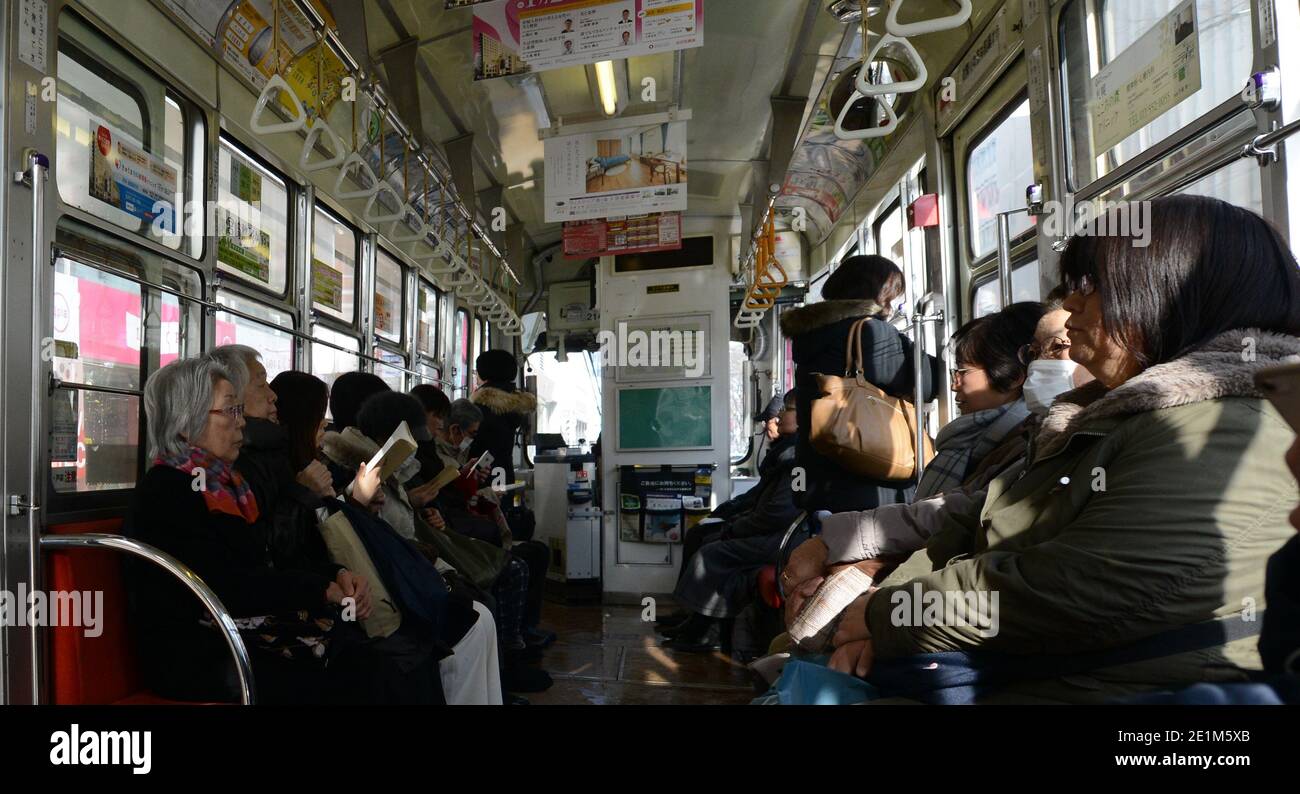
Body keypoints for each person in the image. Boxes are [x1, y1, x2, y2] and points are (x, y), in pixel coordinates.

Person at [818, 196, 1300, 703]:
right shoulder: (1103, 416)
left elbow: (1071, 591)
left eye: (1090, 288)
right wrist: (884, 605)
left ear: (1172, 294)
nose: (1069, 305)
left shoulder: (1219, 426)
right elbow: (981, 520)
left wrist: (888, 614)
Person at [124, 356, 399, 704]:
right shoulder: (167, 491)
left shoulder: (227, 484)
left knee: (365, 658)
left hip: (239, 631)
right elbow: (223, 585)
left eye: (240, 410)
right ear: (185, 422)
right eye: (229, 412)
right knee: (359, 668)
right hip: (201, 651)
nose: (241, 425)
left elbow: (269, 562)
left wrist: (337, 574)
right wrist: (321, 589)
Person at [272, 371, 502, 705]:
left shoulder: (313, 465)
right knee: (475, 618)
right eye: (320, 421)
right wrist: (345, 502)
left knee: (480, 613)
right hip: (357, 581)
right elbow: (307, 543)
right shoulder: (304, 474)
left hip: (370, 569)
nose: (324, 428)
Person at [779, 255, 940, 514]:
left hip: (813, 478)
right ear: (878, 294)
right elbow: (930, 381)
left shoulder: (811, 333)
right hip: (863, 484)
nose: (892, 304)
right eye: (892, 294)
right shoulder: (868, 332)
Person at [662, 393, 803, 652]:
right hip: (779, 534)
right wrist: (732, 517)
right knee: (706, 538)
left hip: (784, 541)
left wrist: (735, 527)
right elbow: (763, 502)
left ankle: (706, 631)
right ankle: (699, 622)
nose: (780, 416)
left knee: (711, 552)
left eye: (789, 410)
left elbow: (778, 513)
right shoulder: (788, 455)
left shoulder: (796, 460)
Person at [913, 302, 1043, 499]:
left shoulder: (1023, 444)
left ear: (1014, 376)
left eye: (962, 372)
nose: (953, 385)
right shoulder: (988, 439)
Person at [469, 349, 535, 486]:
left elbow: (484, 450)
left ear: (484, 374)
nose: (475, 376)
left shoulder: (482, 407)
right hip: (504, 476)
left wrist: (475, 470)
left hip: (482, 479)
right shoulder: (512, 408)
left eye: (477, 372)